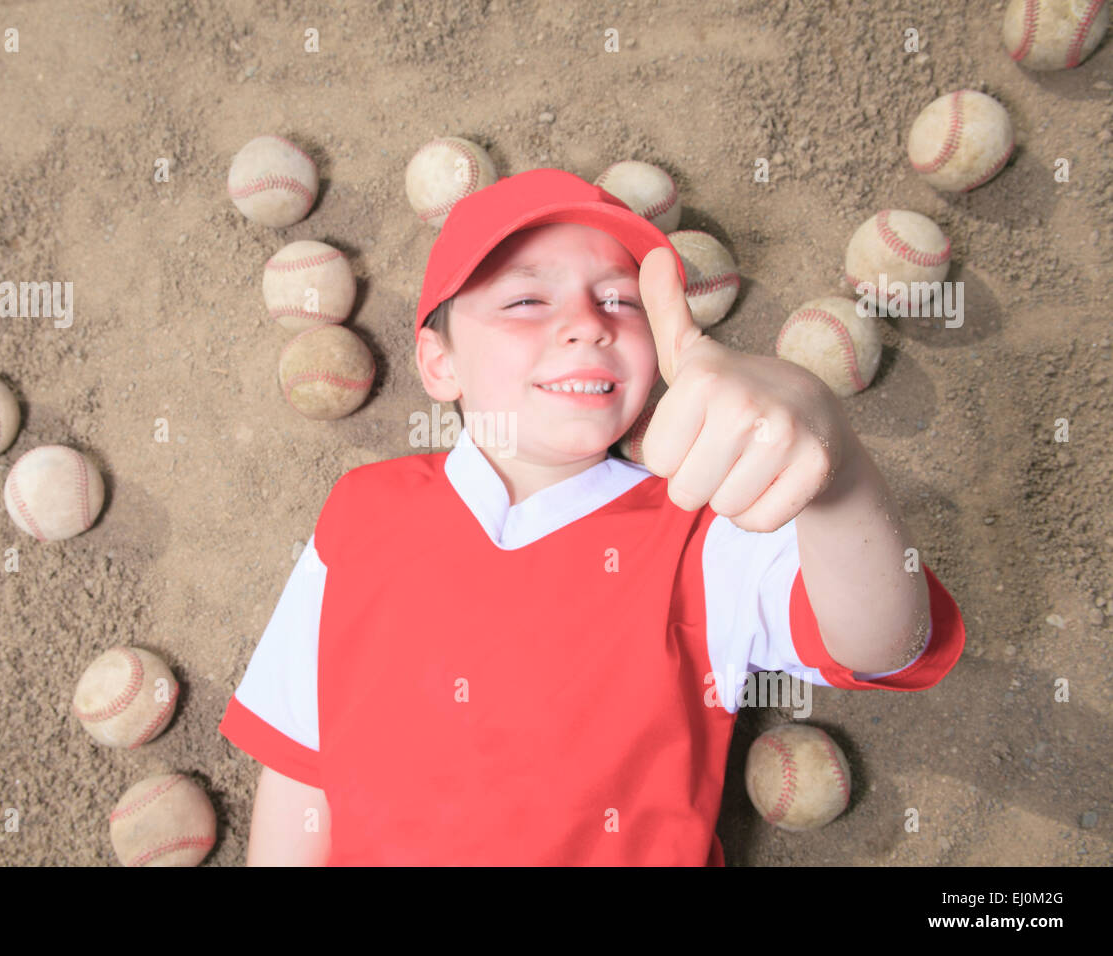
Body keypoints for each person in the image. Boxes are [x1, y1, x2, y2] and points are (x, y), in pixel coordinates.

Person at [219, 168, 965, 866]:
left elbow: (885, 643)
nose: (586, 324)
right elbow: (298, 761)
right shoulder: (363, 507)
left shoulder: (702, 530)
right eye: (525, 301)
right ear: (439, 363)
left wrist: (833, 462)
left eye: (620, 301)